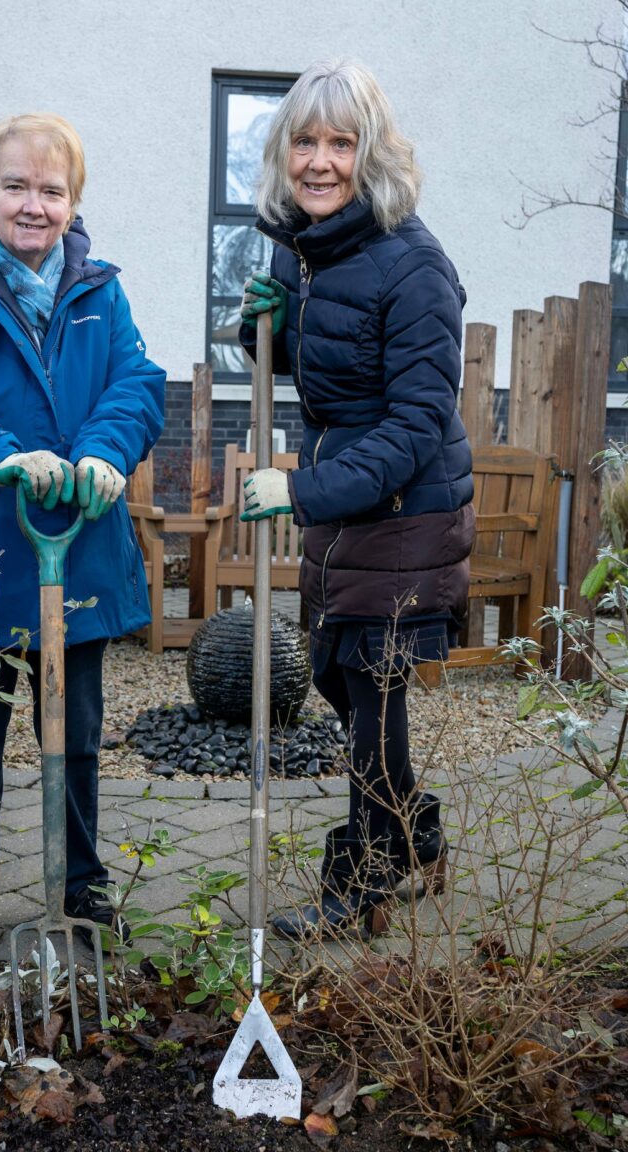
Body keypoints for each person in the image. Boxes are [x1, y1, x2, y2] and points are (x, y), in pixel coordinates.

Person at [0, 113, 165, 949]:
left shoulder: (100, 290)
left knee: (74, 729)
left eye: (52, 190)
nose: (33, 205)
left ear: (73, 202)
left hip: (73, 537)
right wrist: (2, 455)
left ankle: (81, 884)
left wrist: (104, 453)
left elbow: (136, 383)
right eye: (16, 186)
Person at [239, 61, 474, 939]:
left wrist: (300, 490)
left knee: (372, 694)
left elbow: (415, 420)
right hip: (350, 507)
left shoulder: (413, 264)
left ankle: (360, 889)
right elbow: (340, 362)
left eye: (342, 142)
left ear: (371, 153)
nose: (321, 161)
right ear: (284, 150)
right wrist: (266, 328)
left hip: (408, 509)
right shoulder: (309, 248)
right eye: (307, 140)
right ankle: (416, 835)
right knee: (340, 676)